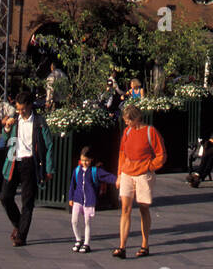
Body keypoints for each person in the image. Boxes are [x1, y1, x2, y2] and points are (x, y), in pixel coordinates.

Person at [0, 91, 54, 247]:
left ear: (30, 106)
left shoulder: (39, 122)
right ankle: (18, 224)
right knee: (5, 197)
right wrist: (7, 129)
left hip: (31, 162)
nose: (20, 112)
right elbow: (4, 141)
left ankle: (21, 236)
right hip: (13, 160)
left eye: (23, 109)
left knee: (27, 201)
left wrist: (49, 168)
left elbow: (49, 144)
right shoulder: (15, 120)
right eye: (18, 109)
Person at [113, 106, 166, 259]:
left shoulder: (150, 132)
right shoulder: (127, 132)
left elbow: (161, 155)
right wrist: (119, 175)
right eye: (125, 120)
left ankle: (145, 244)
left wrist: (149, 166)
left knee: (143, 208)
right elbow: (122, 154)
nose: (127, 123)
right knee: (125, 209)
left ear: (137, 118)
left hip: (143, 174)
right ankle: (122, 246)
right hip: (127, 173)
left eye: (129, 120)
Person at [67, 146, 117, 252]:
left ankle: (86, 243)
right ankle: (78, 239)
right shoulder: (77, 170)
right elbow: (72, 184)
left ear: (91, 160)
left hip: (89, 200)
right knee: (74, 221)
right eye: (82, 160)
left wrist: (117, 180)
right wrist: (70, 197)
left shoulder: (95, 171)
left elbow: (107, 176)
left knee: (87, 222)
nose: (84, 163)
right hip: (77, 199)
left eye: (87, 160)